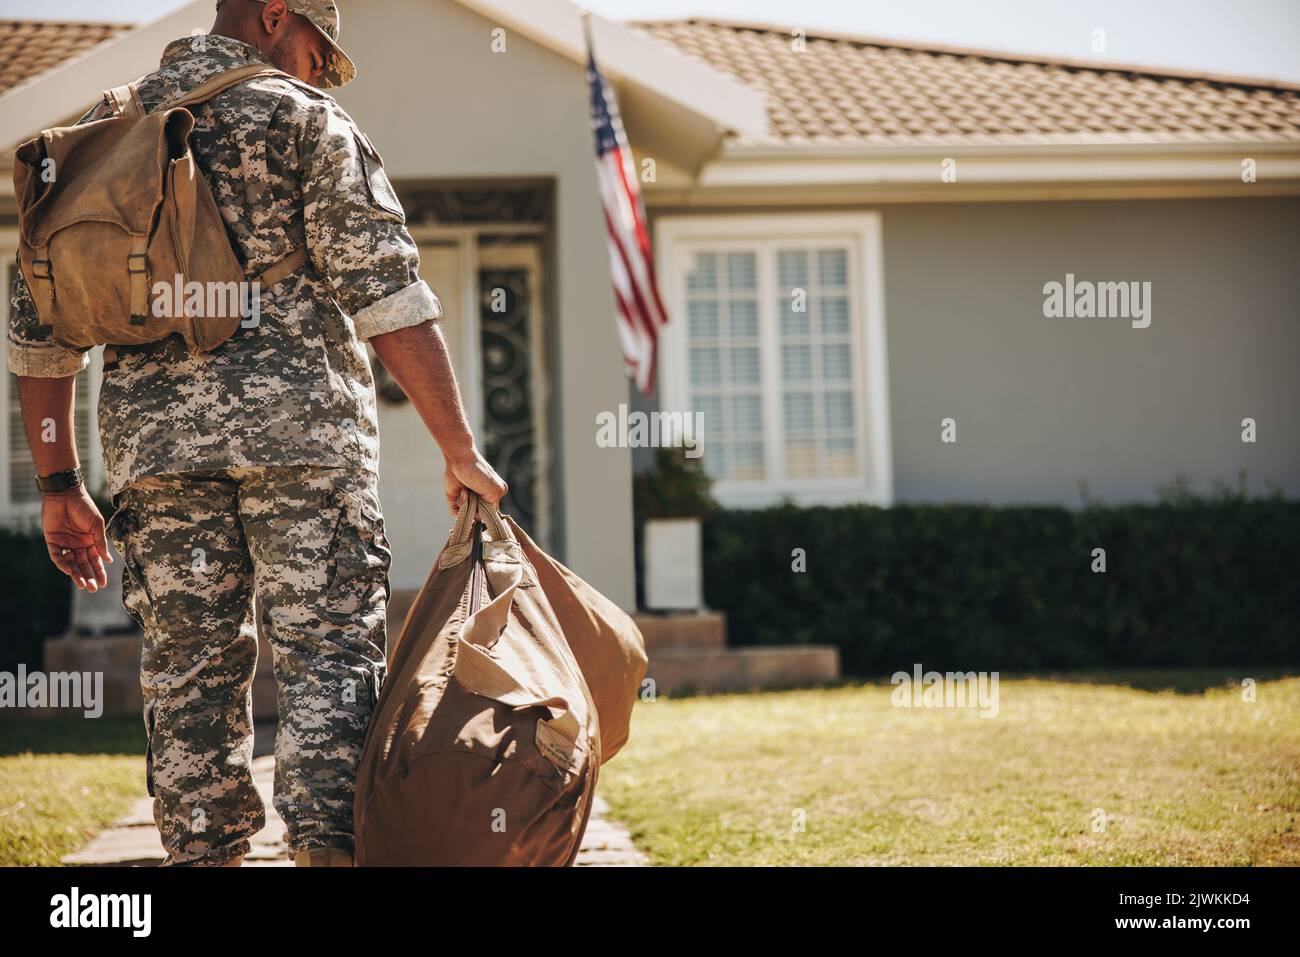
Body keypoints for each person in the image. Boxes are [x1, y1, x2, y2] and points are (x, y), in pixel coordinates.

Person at [7, 0, 506, 867]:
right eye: (320, 49)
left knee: (187, 666)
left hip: (154, 457)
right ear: (277, 14)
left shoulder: (103, 126)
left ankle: (203, 855)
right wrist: (457, 447)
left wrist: (60, 487)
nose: (320, 71)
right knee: (328, 653)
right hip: (303, 444)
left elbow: (38, 329)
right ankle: (328, 849)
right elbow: (385, 291)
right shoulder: (303, 120)